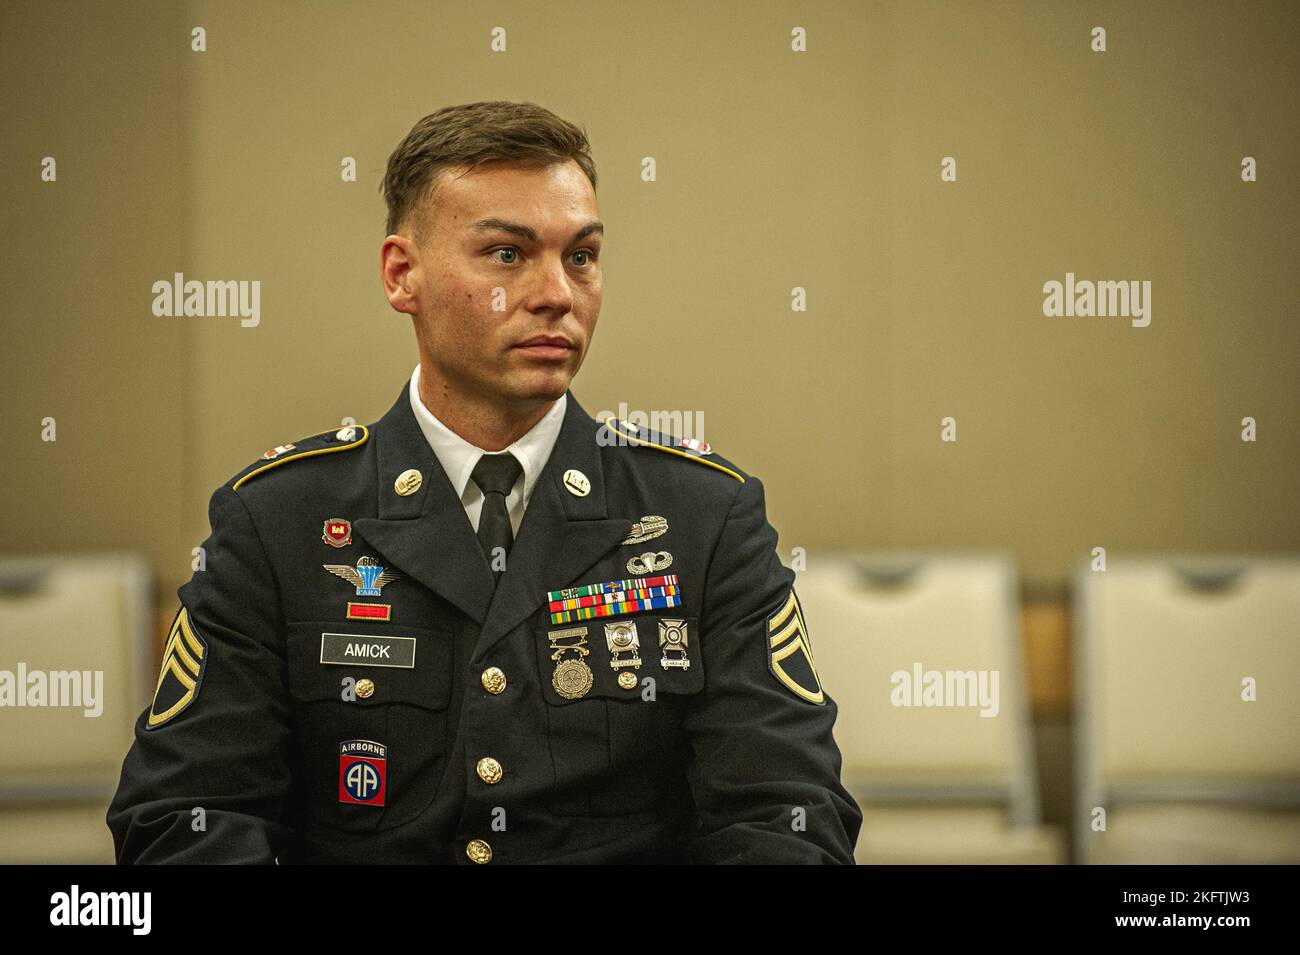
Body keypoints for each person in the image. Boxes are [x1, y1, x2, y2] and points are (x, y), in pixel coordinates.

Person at [107, 100, 862, 864]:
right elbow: (184, 816)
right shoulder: (277, 521)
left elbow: (788, 815)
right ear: (403, 274)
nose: (556, 294)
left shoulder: (703, 517)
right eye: (507, 254)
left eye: (582, 256)